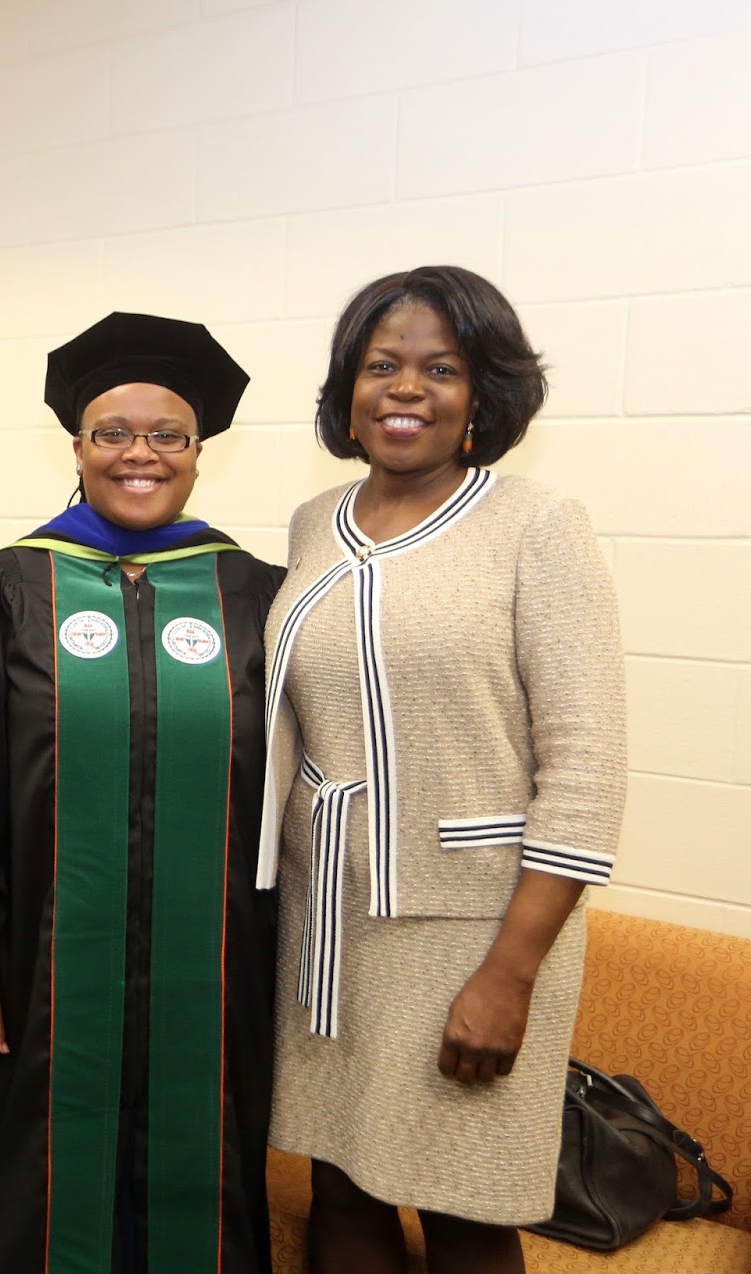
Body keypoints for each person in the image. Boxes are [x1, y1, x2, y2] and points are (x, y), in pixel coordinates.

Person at [0, 312, 282, 1273]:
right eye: (113, 432)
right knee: (34, 1194)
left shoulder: (255, 592)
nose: (139, 453)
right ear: (77, 446)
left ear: (199, 454)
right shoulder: (6, 588)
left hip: (215, 978)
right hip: (38, 974)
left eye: (167, 436)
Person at [256, 265, 627, 1273]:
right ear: (347, 388)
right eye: (381, 365)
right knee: (339, 1179)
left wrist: (509, 973)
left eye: (439, 368)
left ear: (483, 393)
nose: (405, 388)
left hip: (474, 924)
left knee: (461, 1200)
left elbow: (586, 767)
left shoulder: (534, 523)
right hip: (325, 917)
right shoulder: (310, 523)